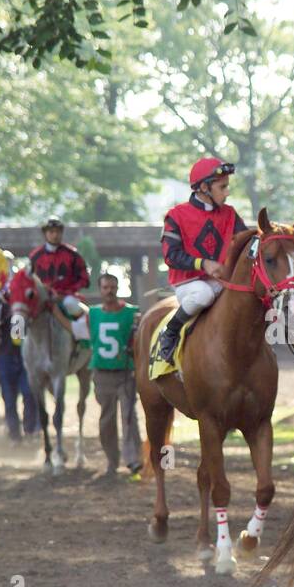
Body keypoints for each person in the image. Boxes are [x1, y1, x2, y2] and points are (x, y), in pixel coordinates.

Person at [155, 157, 248, 363]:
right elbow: (171, 255)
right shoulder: (176, 216)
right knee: (203, 294)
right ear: (204, 187)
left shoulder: (230, 214)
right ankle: (170, 333)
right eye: (222, 187)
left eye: (227, 187)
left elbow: (246, 244)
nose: (227, 192)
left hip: (222, 282)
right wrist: (203, 264)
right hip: (189, 284)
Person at [52, 272, 143, 477]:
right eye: (105, 287)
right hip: (102, 375)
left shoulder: (131, 313)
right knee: (106, 420)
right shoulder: (92, 314)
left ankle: (133, 460)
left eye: (112, 287)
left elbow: (139, 339)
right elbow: (75, 329)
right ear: (100, 290)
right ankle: (112, 460)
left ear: (118, 288)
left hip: (126, 373)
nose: (109, 291)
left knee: (129, 417)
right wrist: (56, 313)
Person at [0, 289, 40, 442]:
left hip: (23, 358)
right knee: (9, 399)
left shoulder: (23, 310)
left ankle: (30, 430)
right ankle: (14, 435)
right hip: (5, 358)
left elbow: (18, 337)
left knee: (29, 394)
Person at [27, 215, 90, 311]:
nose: (55, 235)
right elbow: (28, 279)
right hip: (41, 297)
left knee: (71, 304)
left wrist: (67, 292)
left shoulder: (73, 254)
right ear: (45, 233)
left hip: (67, 297)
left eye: (58, 232)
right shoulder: (35, 256)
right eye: (51, 232)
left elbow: (84, 279)